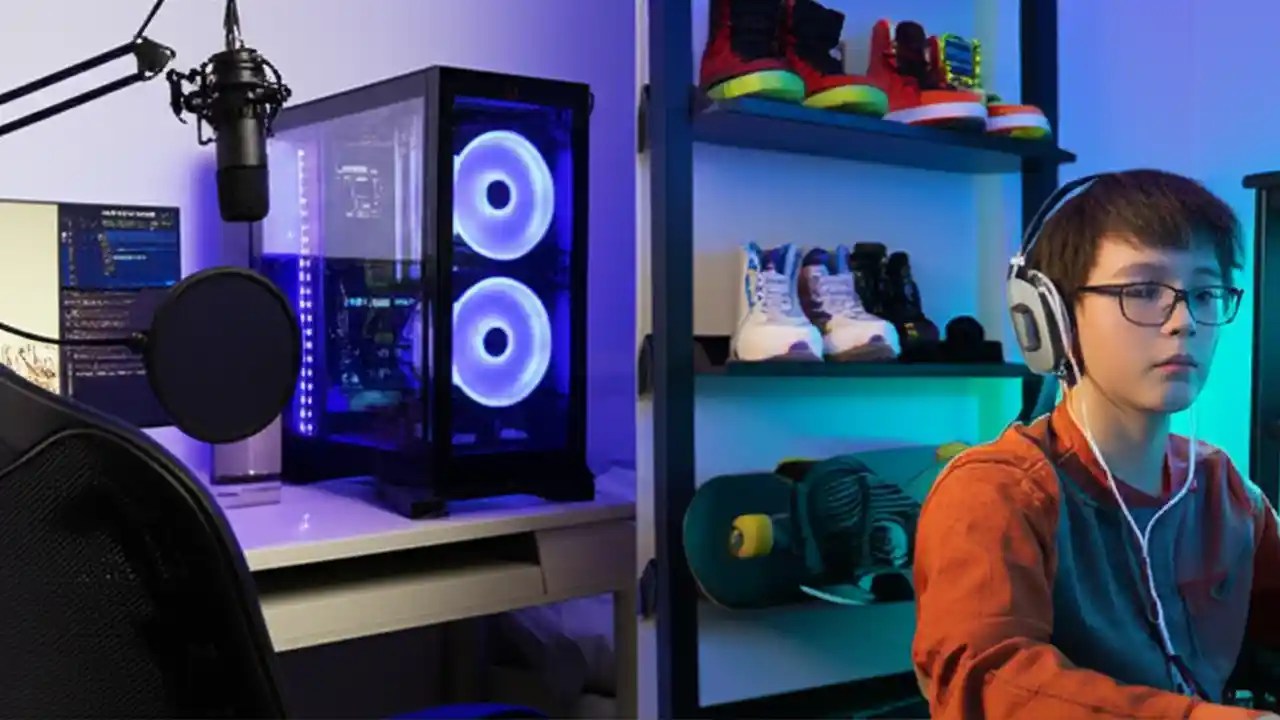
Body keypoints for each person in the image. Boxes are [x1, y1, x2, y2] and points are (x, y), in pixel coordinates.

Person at [912, 169, 1280, 719]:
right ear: (1054, 317)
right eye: (1143, 291)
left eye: (1203, 293)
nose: (1183, 322)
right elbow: (989, 681)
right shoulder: (994, 493)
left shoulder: (1222, 490)